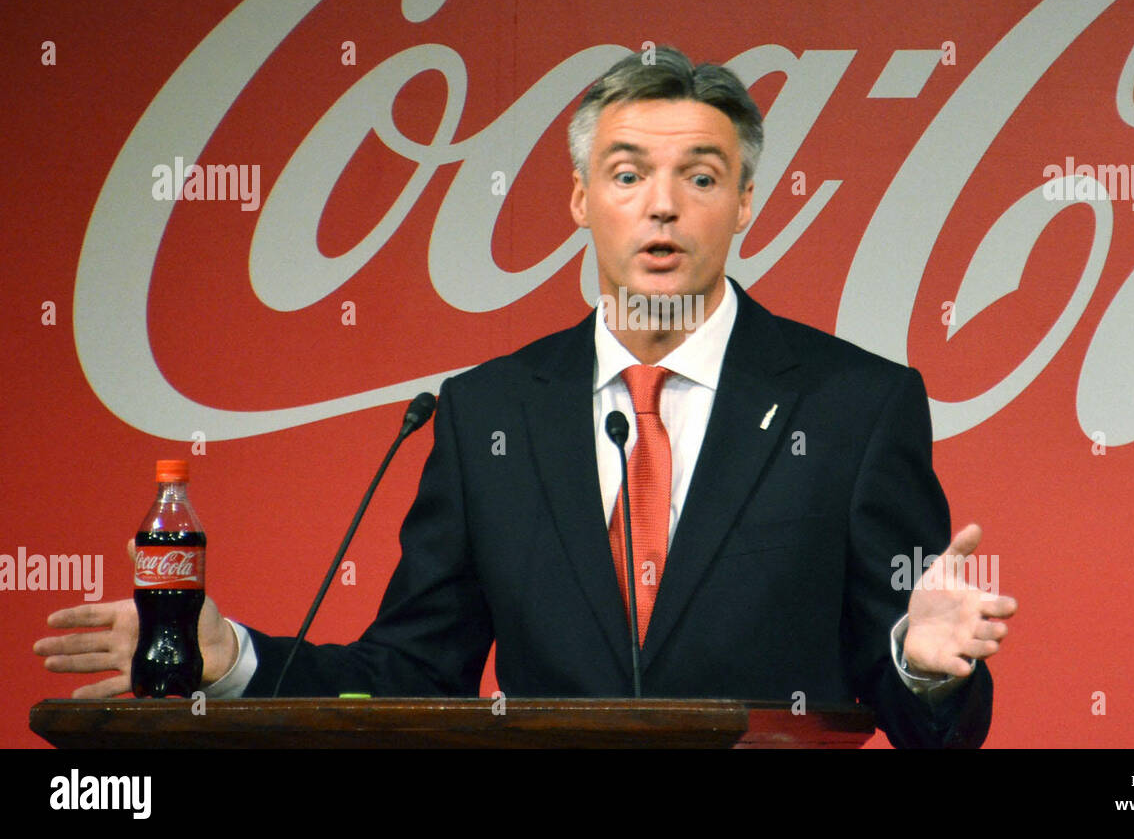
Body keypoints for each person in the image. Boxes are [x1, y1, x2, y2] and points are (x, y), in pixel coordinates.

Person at [36, 48, 1016, 747]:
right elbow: (414, 677)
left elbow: (935, 725)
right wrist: (232, 655)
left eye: (702, 175)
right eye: (628, 173)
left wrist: (922, 657)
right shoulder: (485, 414)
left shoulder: (855, 405)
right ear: (580, 199)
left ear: (747, 202)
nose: (663, 204)